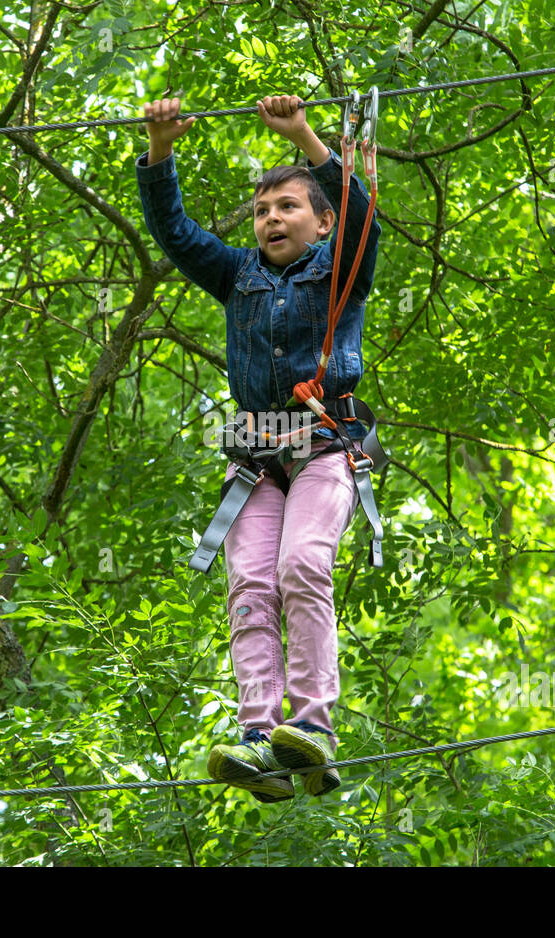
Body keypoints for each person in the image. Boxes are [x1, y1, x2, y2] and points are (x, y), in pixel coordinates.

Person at [136, 93, 382, 801]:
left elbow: (363, 217)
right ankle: (258, 739)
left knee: (303, 565)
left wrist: (304, 136)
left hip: (327, 449)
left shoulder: (342, 267)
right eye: (262, 211)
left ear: (323, 221)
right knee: (249, 584)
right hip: (255, 462)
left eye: (288, 207)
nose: (271, 218)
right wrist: (160, 148)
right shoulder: (236, 275)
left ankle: (311, 727)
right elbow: (175, 232)